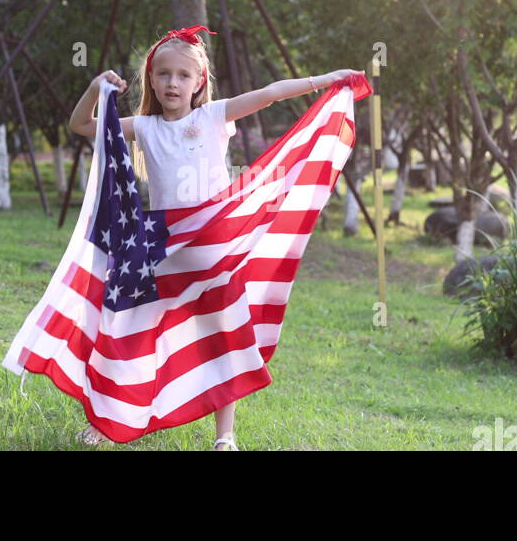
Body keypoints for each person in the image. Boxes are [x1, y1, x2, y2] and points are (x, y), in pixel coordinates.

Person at [67, 25, 363, 450]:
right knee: (128, 327)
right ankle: (109, 420)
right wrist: (97, 87)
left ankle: (225, 437)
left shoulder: (213, 115)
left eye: (183, 75)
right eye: (164, 74)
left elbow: (271, 93)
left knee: (224, 333)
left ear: (199, 81)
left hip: (215, 245)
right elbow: (81, 125)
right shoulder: (144, 127)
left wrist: (324, 80)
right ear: (150, 79)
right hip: (164, 246)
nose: (173, 83)